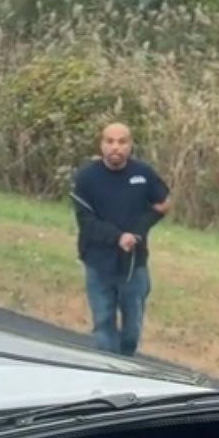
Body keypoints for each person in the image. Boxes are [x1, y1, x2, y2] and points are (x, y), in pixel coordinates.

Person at [70, 122, 170, 356]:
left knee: (132, 328)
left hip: (134, 264)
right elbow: (86, 221)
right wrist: (117, 237)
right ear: (101, 145)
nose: (116, 147)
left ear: (130, 145)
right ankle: (109, 370)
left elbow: (163, 203)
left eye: (122, 142)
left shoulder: (142, 174)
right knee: (103, 322)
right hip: (98, 261)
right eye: (110, 141)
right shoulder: (86, 177)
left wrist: (138, 231)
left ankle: (126, 363)